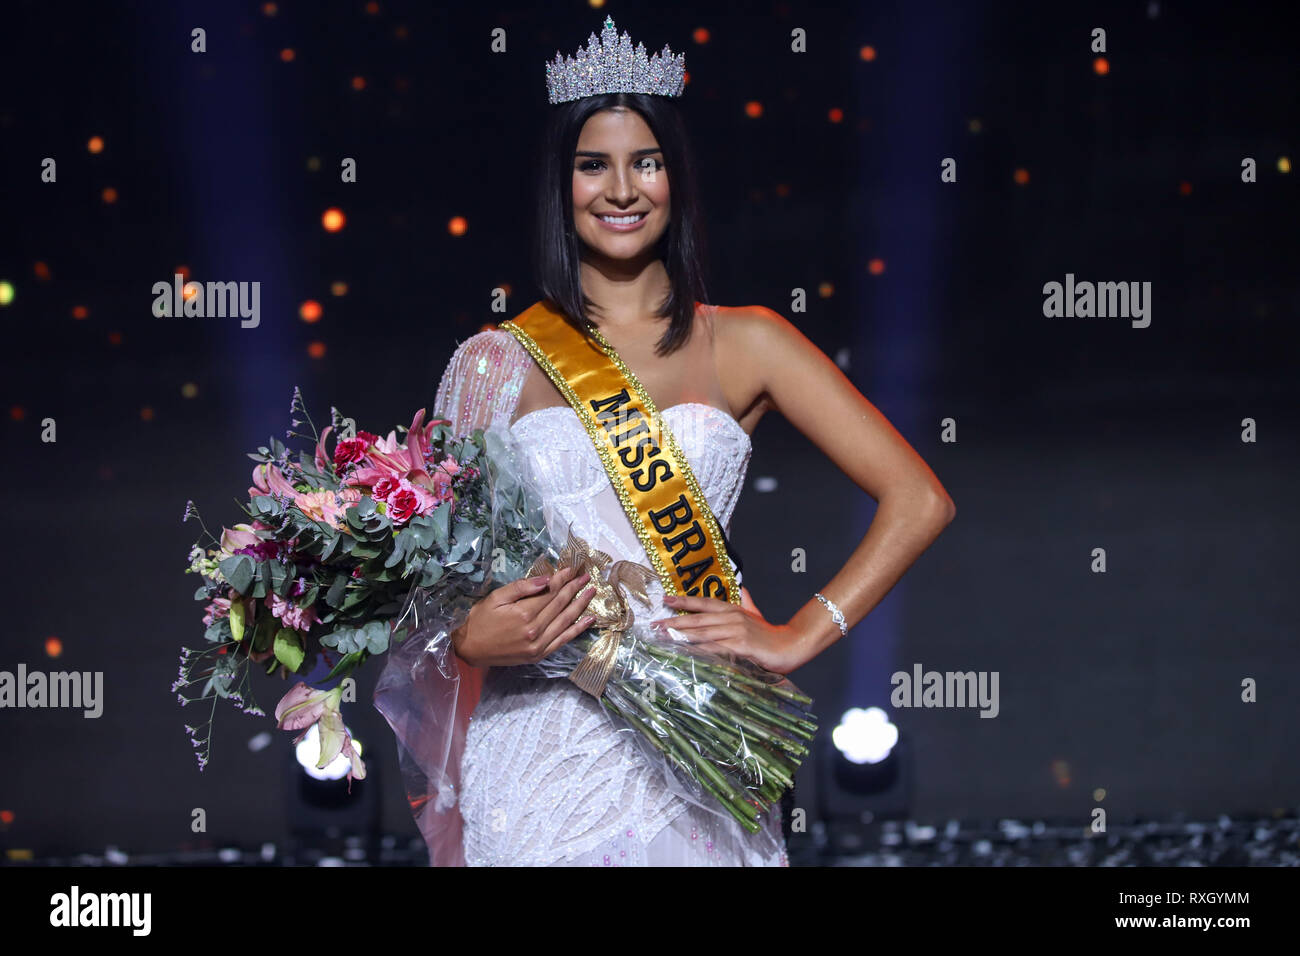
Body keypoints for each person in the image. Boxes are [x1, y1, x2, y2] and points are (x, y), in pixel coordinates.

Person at [377, 17, 955, 867]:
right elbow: (432, 587)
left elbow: (921, 499)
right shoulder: (491, 362)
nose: (621, 189)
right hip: (536, 746)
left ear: (675, 177)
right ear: (560, 184)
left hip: (695, 739)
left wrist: (797, 633)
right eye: (592, 165)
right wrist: (467, 638)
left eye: (645, 162)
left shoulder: (748, 341)